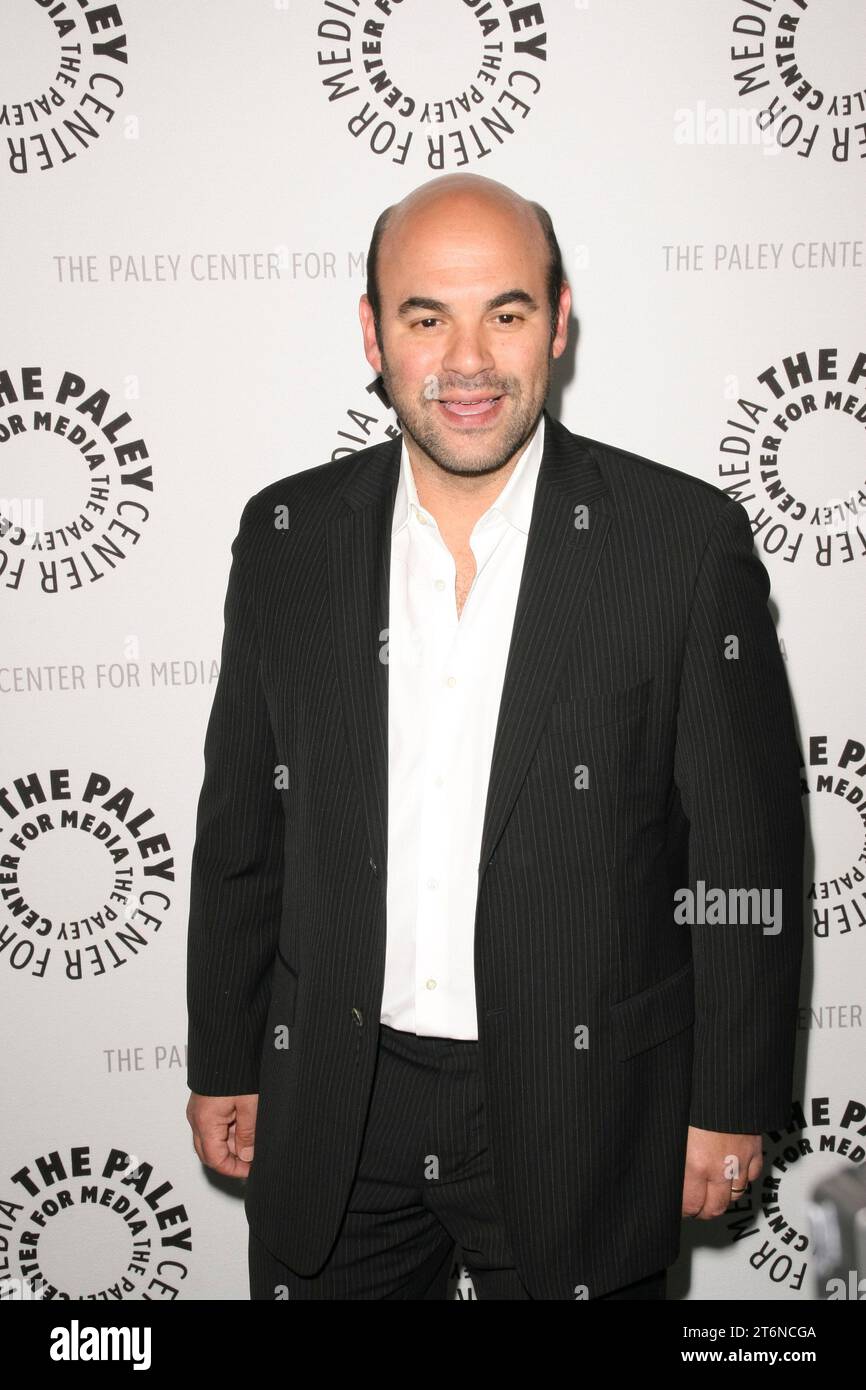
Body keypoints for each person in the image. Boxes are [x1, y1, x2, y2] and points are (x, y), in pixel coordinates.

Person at [185, 173, 804, 1300]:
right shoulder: (283, 539)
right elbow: (243, 828)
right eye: (426, 317)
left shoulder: (679, 545)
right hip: (335, 1093)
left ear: (558, 320)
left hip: (590, 1102)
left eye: (504, 313)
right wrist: (226, 1053)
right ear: (372, 332)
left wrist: (730, 1097)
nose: (465, 361)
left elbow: (741, 856)